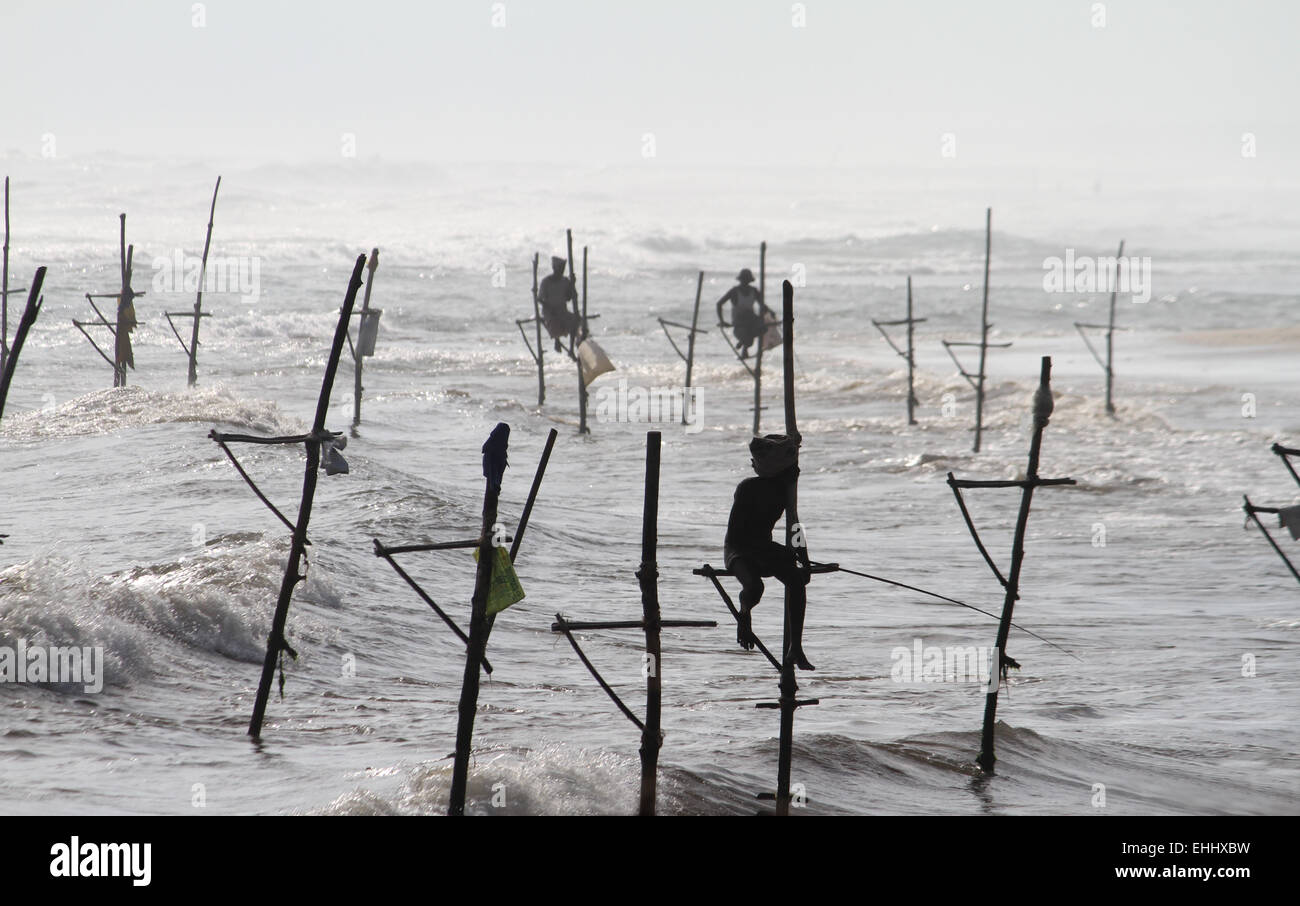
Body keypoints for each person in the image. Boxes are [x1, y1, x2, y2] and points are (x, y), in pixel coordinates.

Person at [724, 434, 814, 670]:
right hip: (739, 551)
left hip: (763, 548)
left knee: (796, 581)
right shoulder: (747, 488)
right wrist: (776, 554)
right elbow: (737, 537)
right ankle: (744, 612)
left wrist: (804, 559)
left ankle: (796, 647)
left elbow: (795, 525)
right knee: (754, 588)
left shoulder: (785, 491)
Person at [715, 268, 770, 359]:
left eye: (747, 280)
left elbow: (762, 305)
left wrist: (769, 312)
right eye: (744, 279)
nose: (745, 282)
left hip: (751, 319)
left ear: (749, 280)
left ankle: (743, 344)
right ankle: (743, 345)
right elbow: (719, 304)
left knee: (763, 329)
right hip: (739, 320)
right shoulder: (734, 291)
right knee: (748, 340)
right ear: (741, 280)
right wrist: (722, 321)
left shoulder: (754, 291)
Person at [537, 256, 580, 353]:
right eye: (560, 268)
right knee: (555, 323)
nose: (561, 271)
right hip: (550, 312)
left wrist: (572, 284)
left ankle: (571, 349)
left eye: (562, 269)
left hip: (562, 311)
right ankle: (557, 341)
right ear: (555, 268)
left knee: (575, 322)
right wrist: (549, 307)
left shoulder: (565, 281)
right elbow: (539, 299)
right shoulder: (546, 282)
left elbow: (569, 297)